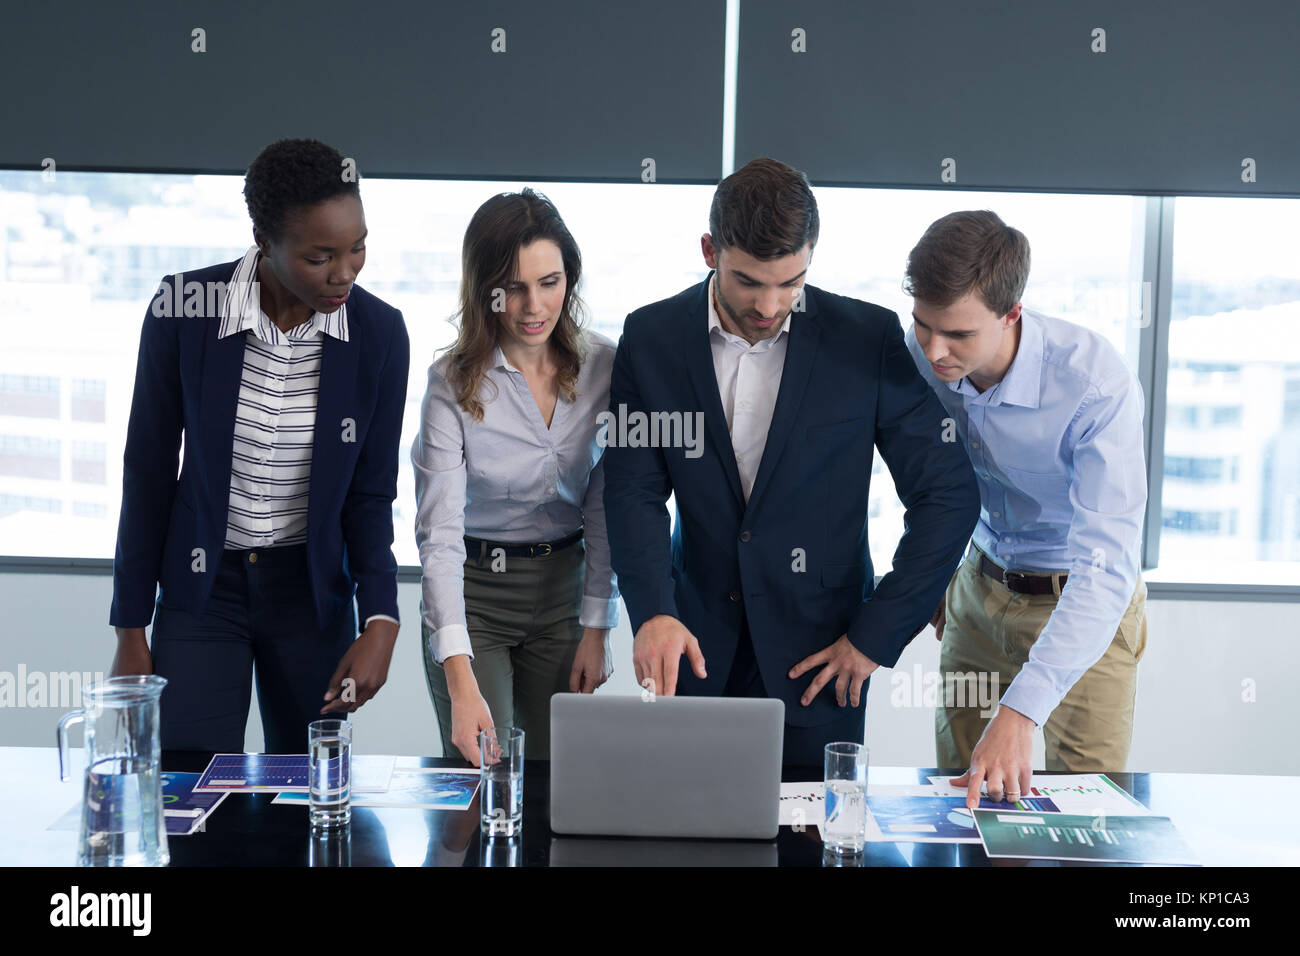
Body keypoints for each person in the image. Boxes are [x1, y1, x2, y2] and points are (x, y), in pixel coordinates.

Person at [602, 158, 981, 767]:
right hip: (692, 647)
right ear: (709, 251)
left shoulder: (866, 339)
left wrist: (876, 635)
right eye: (750, 281)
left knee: (817, 845)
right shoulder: (650, 338)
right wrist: (651, 613)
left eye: (791, 281)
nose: (771, 304)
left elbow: (949, 495)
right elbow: (632, 492)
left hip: (825, 660)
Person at [108, 138, 410, 753]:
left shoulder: (379, 334)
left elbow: (371, 496)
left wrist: (381, 619)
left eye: (357, 249)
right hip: (202, 588)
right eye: (320, 256)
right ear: (262, 238)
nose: (344, 273)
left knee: (309, 792)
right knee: (186, 790)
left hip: (311, 594)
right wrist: (130, 628)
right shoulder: (182, 310)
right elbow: (148, 470)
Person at [903, 210, 1148, 807]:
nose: (935, 350)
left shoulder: (1094, 384)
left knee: (1089, 811)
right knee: (957, 804)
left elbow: (1106, 566)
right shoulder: (923, 351)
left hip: (1081, 601)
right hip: (977, 593)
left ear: (1012, 314)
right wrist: (933, 572)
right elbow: (929, 479)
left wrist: (1021, 711)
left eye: (959, 335)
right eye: (924, 325)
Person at [412, 188, 619, 765]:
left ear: (569, 280)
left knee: (558, 782)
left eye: (549, 282)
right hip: (475, 593)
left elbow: (606, 503)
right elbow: (439, 535)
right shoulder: (451, 383)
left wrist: (598, 624)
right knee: (484, 774)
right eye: (514, 287)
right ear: (486, 290)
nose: (533, 307)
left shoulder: (606, 365)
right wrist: (458, 677)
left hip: (564, 593)